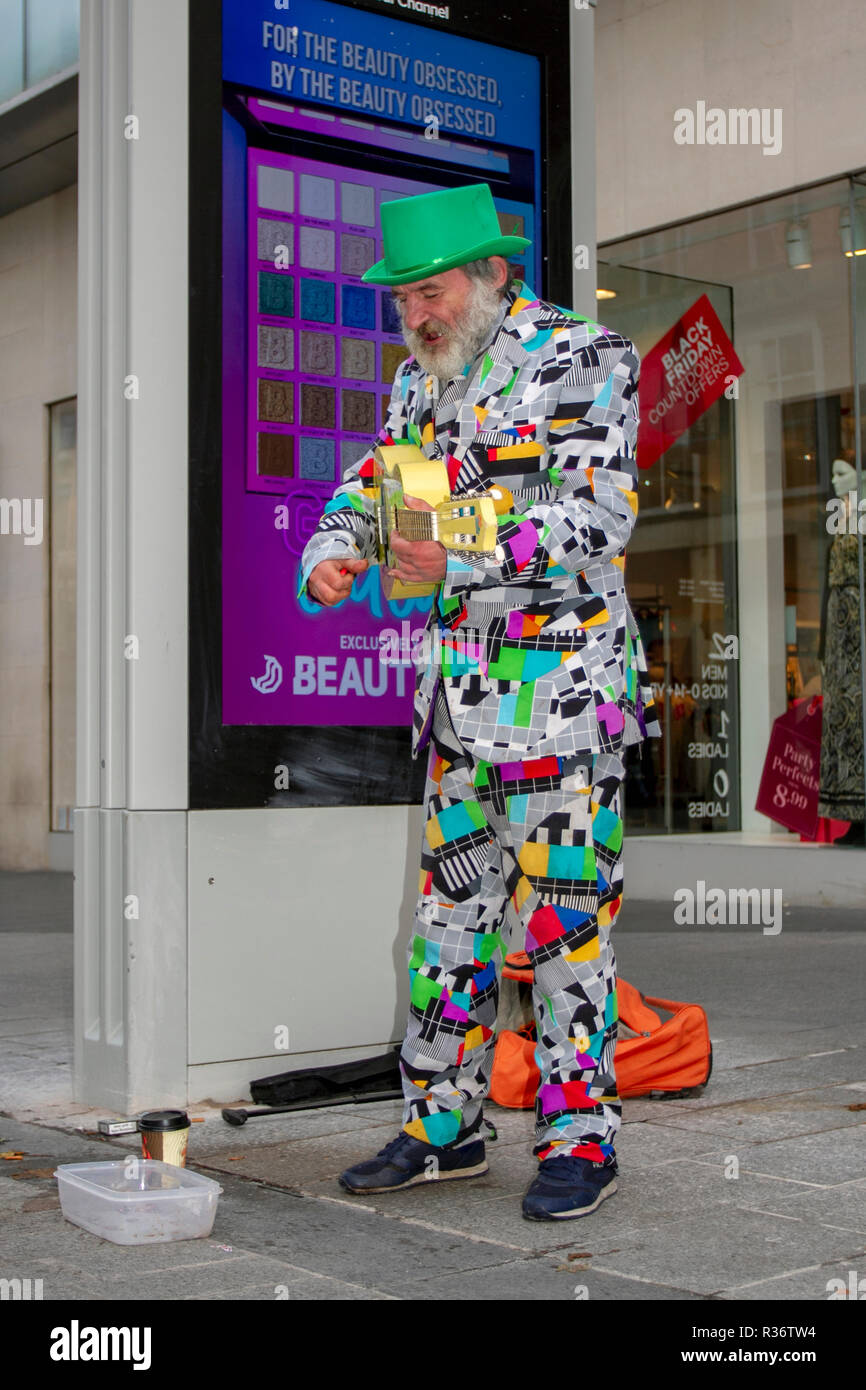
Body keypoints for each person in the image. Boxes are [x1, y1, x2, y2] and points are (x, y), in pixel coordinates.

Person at [300, 182, 660, 1220]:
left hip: (558, 702)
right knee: (445, 932)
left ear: (493, 275)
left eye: (432, 291)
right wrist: (333, 552)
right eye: (402, 297)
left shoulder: (579, 356)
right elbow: (374, 487)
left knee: (562, 930)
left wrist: (460, 542)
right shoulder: (421, 384)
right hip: (457, 715)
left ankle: (579, 1138)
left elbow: (597, 515)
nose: (416, 313)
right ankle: (441, 1126)